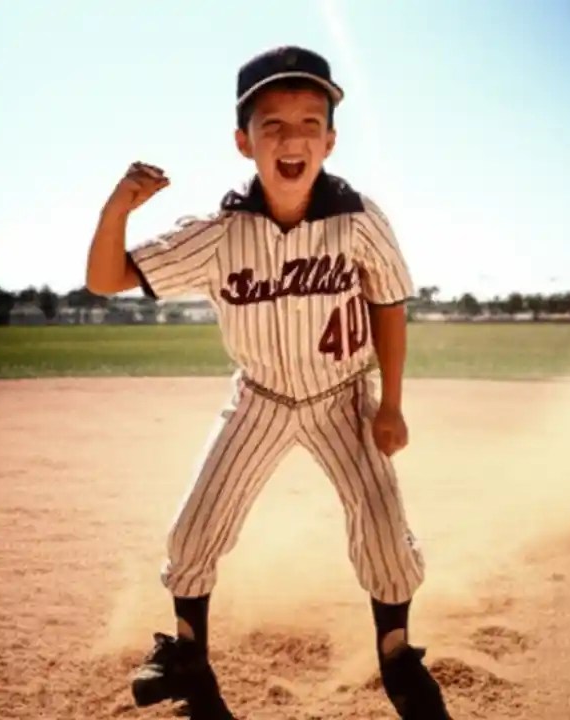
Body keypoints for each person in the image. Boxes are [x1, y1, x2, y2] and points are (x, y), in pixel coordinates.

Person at [85, 46, 452, 720]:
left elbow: (390, 305)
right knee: (194, 531)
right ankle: (189, 655)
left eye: (310, 122)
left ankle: (397, 656)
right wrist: (118, 207)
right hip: (259, 397)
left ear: (331, 140)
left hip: (341, 397)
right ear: (243, 142)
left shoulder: (360, 221)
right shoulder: (221, 234)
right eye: (272, 124)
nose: (293, 138)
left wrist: (392, 403)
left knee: (383, 534)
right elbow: (107, 279)